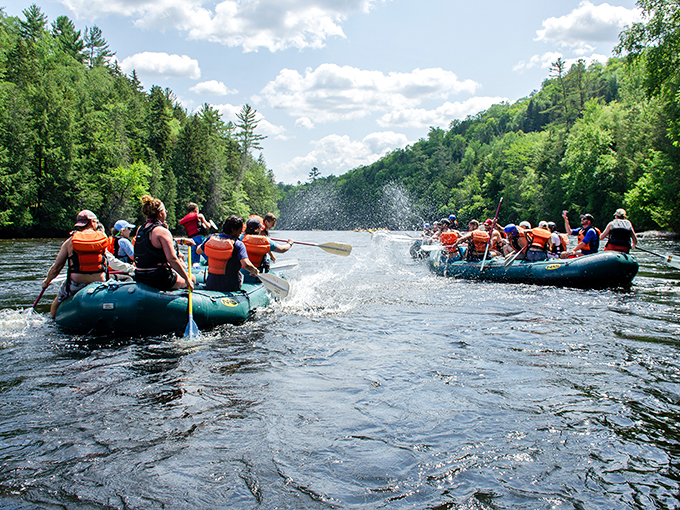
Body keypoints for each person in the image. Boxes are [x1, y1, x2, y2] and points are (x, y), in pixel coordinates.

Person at [41, 210, 109, 318]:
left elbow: (56, 268)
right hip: (99, 283)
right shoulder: (102, 240)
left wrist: (47, 281)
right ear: (92, 223)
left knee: (57, 301)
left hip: (76, 285)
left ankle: (53, 320)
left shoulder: (69, 242)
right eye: (96, 222)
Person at [134, 195, 195, 291]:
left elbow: (154, 245)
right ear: (160, 214)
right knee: (193, 278)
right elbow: (172, 259)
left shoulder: (141, 229)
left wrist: (182, 241)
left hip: (140, 276)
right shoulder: (162, 231)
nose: (166, 213)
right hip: (158, 278)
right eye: (165, 211)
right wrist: (187, 279)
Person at [196, 215, 259, 291]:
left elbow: (198, 251)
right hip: (230, 286)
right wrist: (255, 271)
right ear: (233, 230)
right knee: (240, 275)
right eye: (240, 229)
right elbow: (246, 264)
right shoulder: (238, 244)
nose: (241, 231)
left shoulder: (212, 238)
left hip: (211, 284)